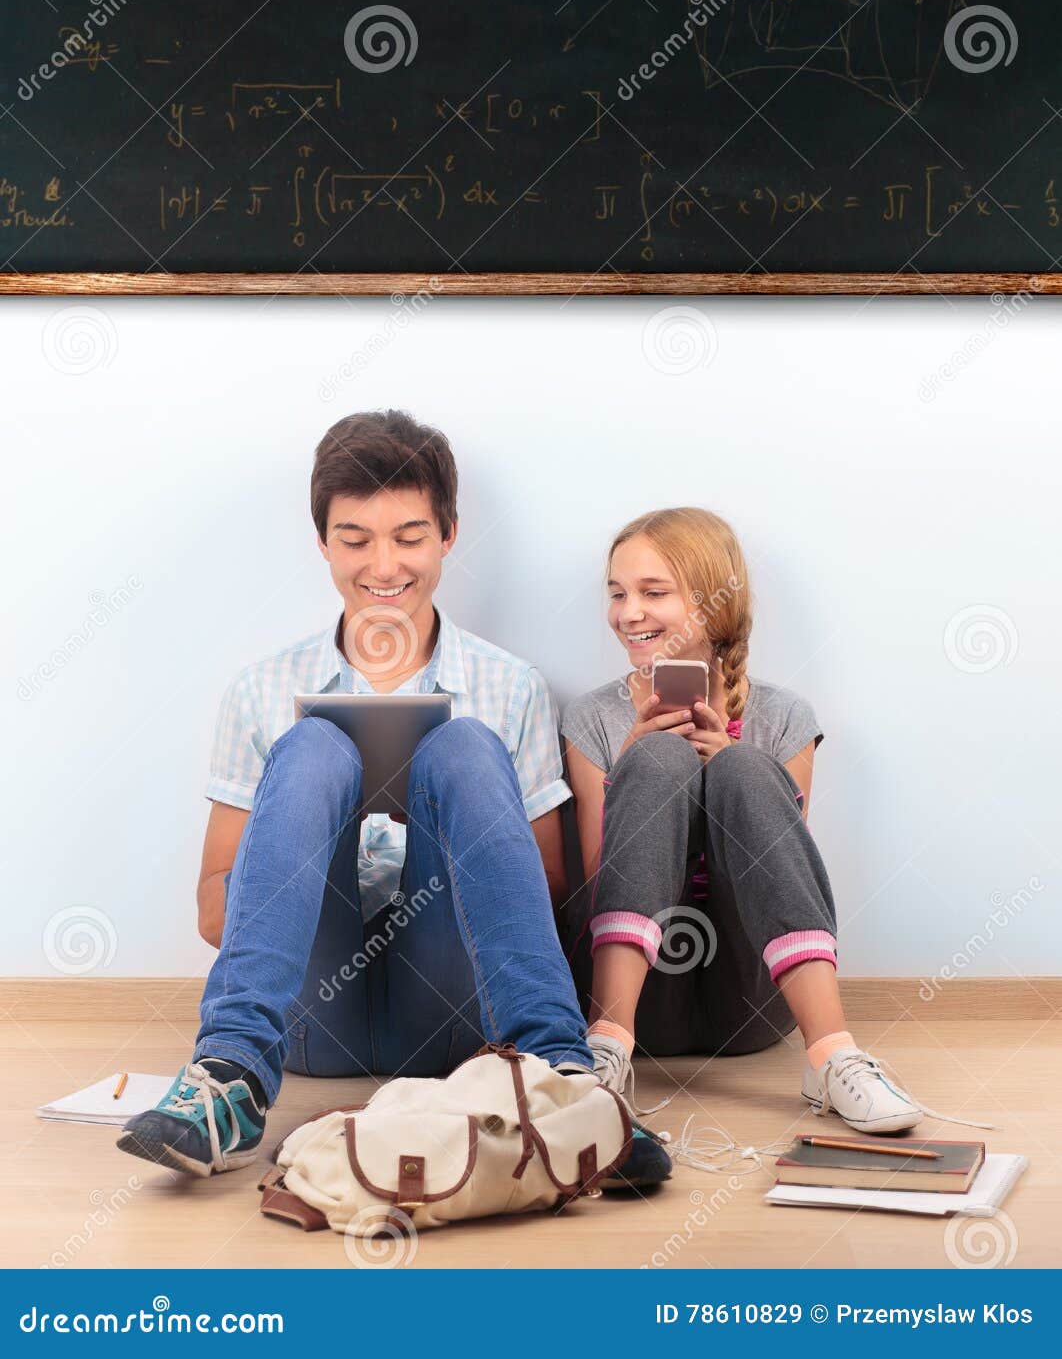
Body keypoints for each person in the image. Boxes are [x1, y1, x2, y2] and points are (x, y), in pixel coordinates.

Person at [118, 411, 670, 1187]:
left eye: (409, 537)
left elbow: (544, 894)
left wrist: (409, 855)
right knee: (312, 745)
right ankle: (230, 1078)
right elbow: (214, 913)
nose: (383, 565)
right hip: (315, 1012)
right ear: (323, 542)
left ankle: (562, 1085)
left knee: (464, 744)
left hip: (454, 1008)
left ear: (448, 535)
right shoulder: (262, 690)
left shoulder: (509, 686)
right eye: (355, 539)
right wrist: (346, 858)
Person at [561, 506, 925, 1134]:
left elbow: (789, 880)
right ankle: (606, 1050)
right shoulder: (592, 716)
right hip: (641, 994)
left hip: (748, 997)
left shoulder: (784, 716)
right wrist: (631, 768)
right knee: (656, 756)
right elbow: (596, 877)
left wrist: (729, 765)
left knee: (745, 769)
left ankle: (832, 1056)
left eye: (653, 593)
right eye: (618, 593)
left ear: (714, 603)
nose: (628, 613)